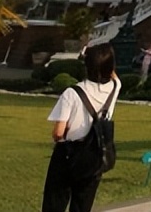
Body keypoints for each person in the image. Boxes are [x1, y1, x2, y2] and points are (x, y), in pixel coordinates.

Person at [42, 42, 120, 212]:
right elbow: (113, 75)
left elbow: (58, 132)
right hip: (95, 153)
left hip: (68, 154)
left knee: (55, 201)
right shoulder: (115, 87)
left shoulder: (72, 93)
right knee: (82, 204)